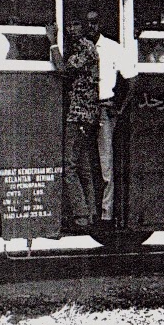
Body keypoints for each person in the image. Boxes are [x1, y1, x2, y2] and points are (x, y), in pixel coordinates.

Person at [86, 9, 137, 223]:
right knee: (85, 161)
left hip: (105, 109)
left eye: (95, 22)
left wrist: (120, 108)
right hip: (83, 110)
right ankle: (89, 212)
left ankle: (106, 214)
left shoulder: (113, 48)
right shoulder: (79, 49)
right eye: (87, 23)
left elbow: (132, 80)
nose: (91, 27)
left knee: (105, 164)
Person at [48, 18, 99, 229]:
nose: (71, 28)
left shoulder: (86, 49)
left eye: (74, 24)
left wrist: (52, 41)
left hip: (79, 115)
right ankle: (91, 213)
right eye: (69, 25)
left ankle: (81, 214)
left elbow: (62, 69)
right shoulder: (84, 47)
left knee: (69, 167)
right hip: (85, 116)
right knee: (84, 166)